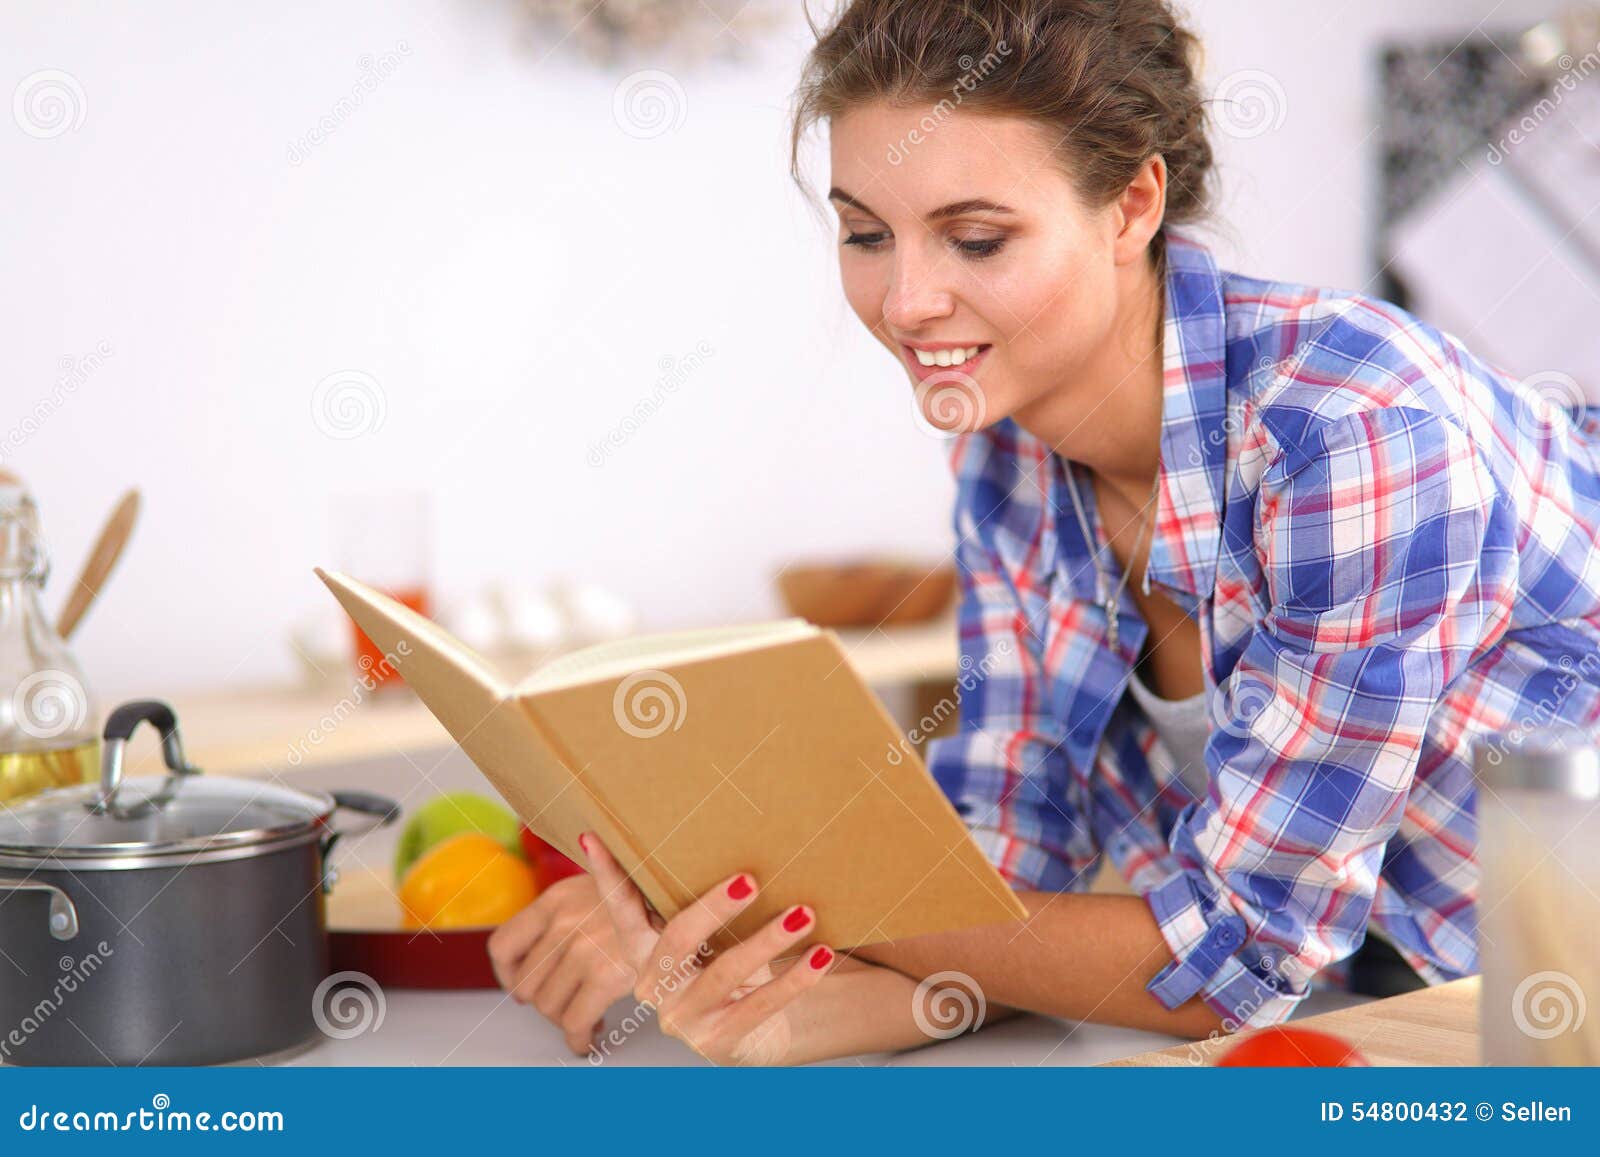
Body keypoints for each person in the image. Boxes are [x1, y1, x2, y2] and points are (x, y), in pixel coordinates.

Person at [489, 0, 1600, 1064]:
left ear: (1131, 205)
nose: (908, 300)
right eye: (867, 235)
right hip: (1404, 1003)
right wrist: (779, 999)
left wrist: (791, 893)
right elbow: (1004, 866)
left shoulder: (1349, 431)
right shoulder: (1005, 455)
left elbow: (1232, 955)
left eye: (974, 239)